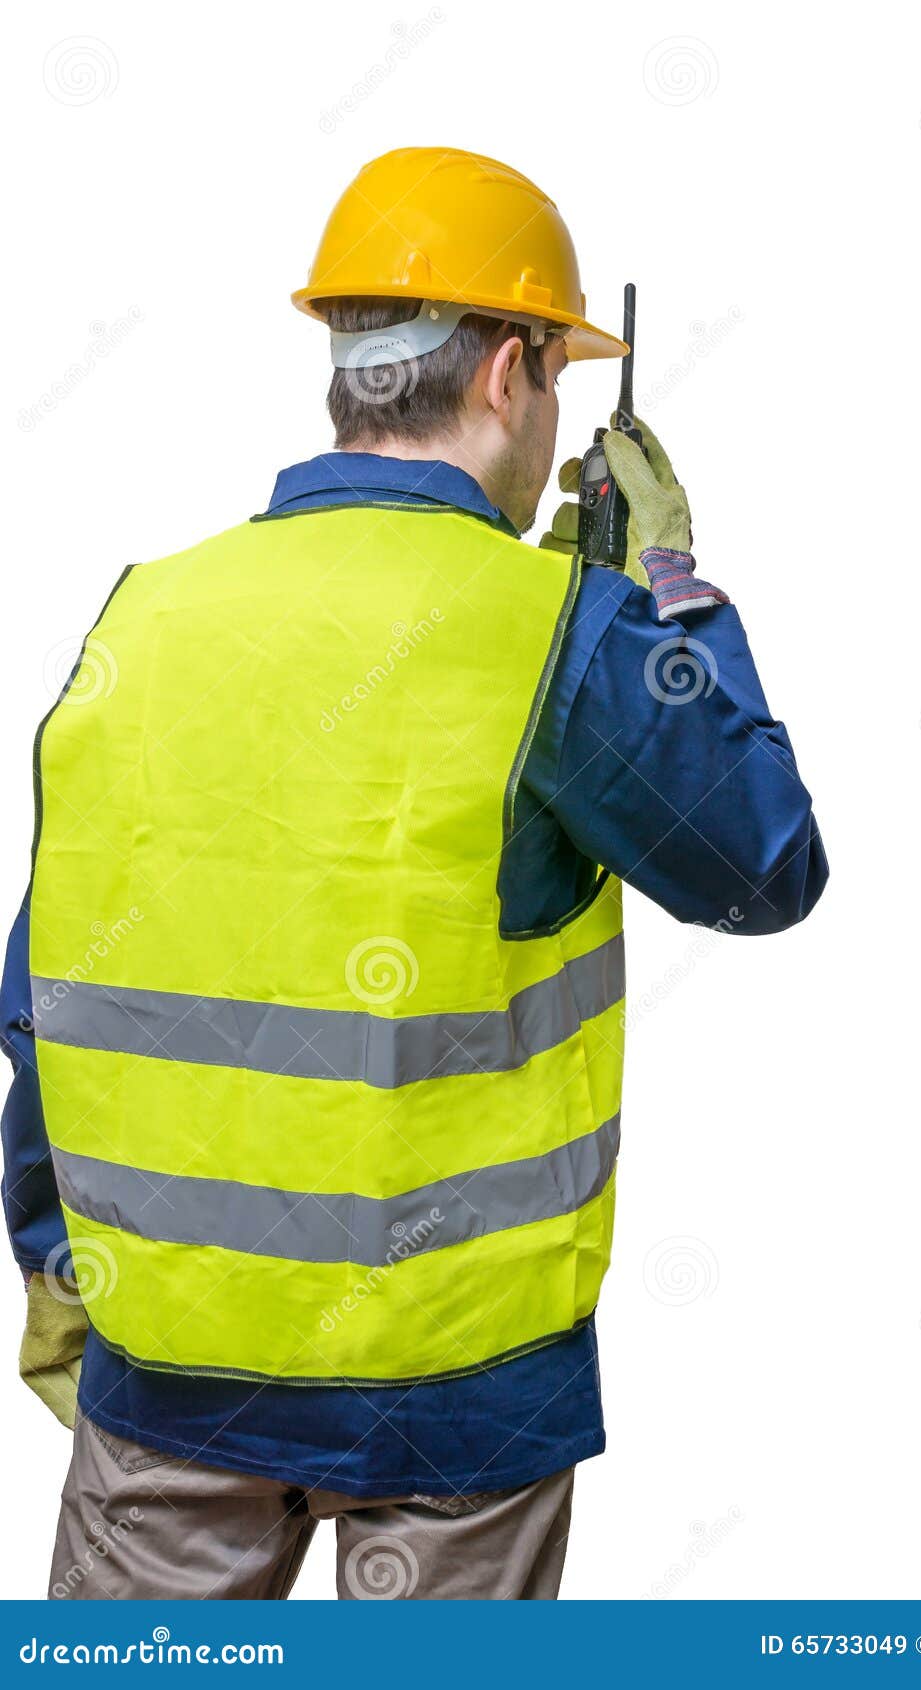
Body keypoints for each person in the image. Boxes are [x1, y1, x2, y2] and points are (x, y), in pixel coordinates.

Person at [1, 147, 827, 1601]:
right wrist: (669, 590)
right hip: (464, 1401)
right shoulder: (563, 632)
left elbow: (52, 984)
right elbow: (765, 862)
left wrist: (55, 1260)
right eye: (558, 377)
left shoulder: (145, 615)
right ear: (509, 371)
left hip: (170, 1375)